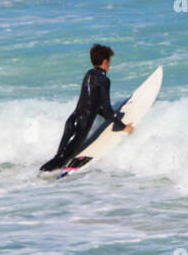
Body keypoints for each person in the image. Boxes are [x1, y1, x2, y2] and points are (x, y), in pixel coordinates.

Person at [39, 44, 134, 172]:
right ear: (105, 62)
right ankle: (37, 179)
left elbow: (94, 105)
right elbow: (106, 109)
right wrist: (122, 126)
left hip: (72, 121)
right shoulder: (104, 80)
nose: (110, 65)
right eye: (110, 62)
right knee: (61, 159)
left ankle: (38, 177)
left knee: (60, 157)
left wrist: (109, 118)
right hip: (81, 126)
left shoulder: (89, 74)